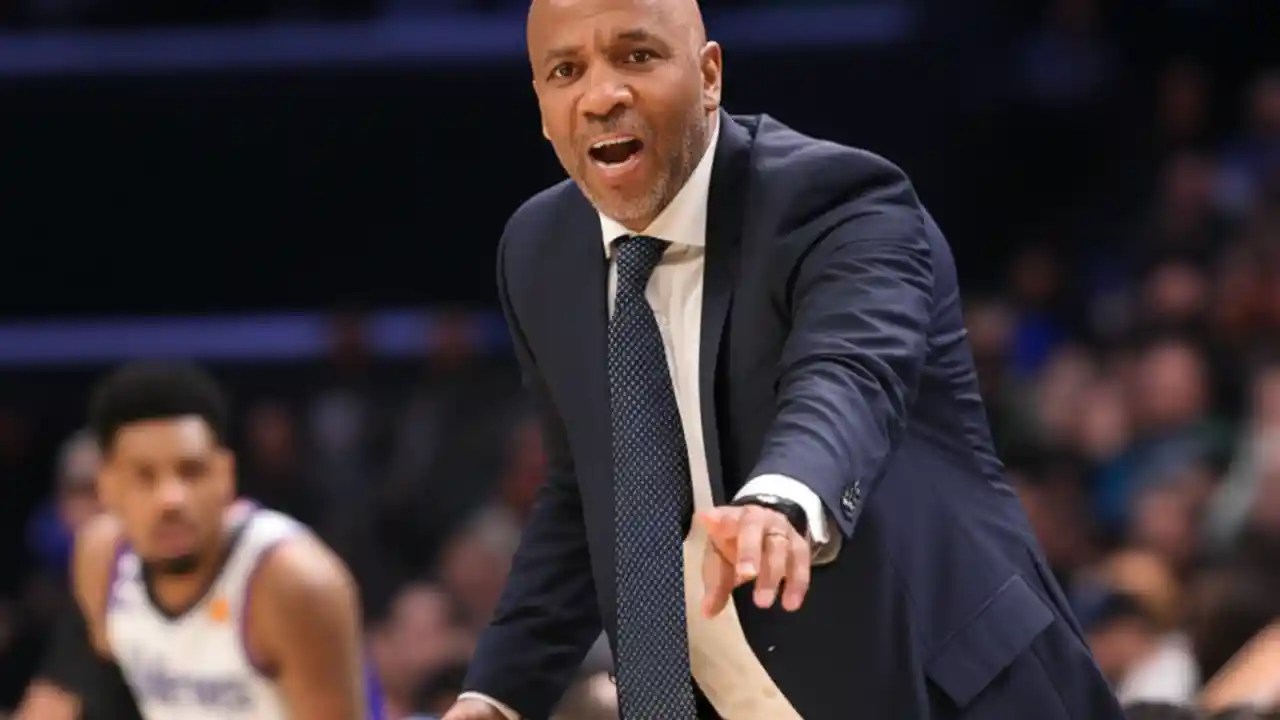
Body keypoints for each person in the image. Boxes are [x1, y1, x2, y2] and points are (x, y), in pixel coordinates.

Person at [444, 0, 1125, 718]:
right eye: (566, 71)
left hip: (944, 691)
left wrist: (785, 500)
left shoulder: (837, 200)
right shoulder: (537, 251)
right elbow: (584, 492)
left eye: (638, 57)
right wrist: (497, 695)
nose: (603, 96)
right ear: (544, 107)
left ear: (709, 75)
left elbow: (851, 374)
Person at [13, 361, 384, 720]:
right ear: (107, 486)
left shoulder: (293, 581)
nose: (172, 499)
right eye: (145, 476)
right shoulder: (101, 559)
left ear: (226, 474)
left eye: (191, 471)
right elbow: (59, 693)